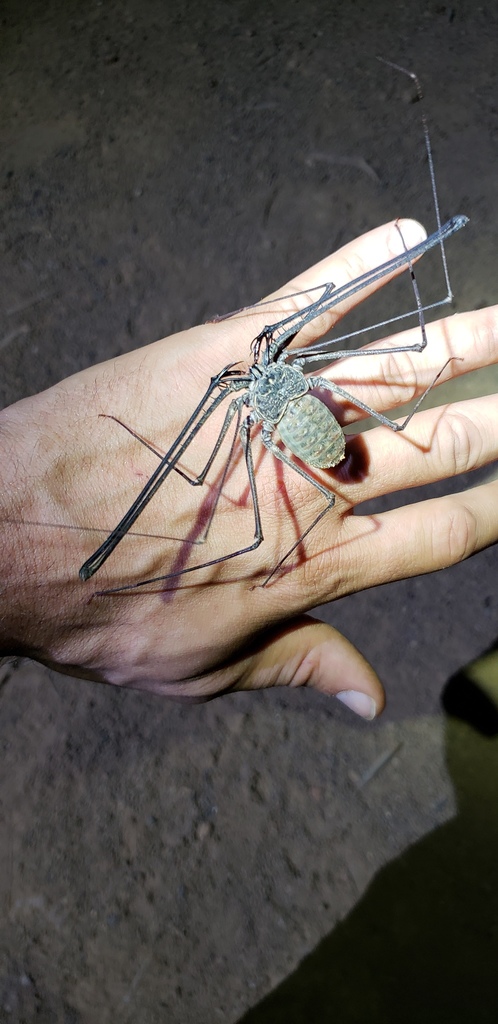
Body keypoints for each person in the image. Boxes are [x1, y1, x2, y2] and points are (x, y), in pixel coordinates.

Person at [1, 220, 497, 717]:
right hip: (302, 417)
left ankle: (441, 236)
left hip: (299, 423)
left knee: (264, 507)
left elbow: (199, 476)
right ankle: (444, 232)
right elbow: (201, 477)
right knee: (259, 506)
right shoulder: (281, 378)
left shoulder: (247, 410)